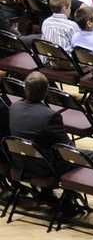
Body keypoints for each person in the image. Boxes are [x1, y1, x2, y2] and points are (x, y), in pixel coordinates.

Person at [9, 72, 82, 215]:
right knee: (85, 157)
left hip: (19, 164)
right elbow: (66, 149)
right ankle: (67, 203)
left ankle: (46, 193)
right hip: (44, 169)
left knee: (42, 149)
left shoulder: (14, 107)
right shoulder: (50, 116)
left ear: (26, 89)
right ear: (45, 92)